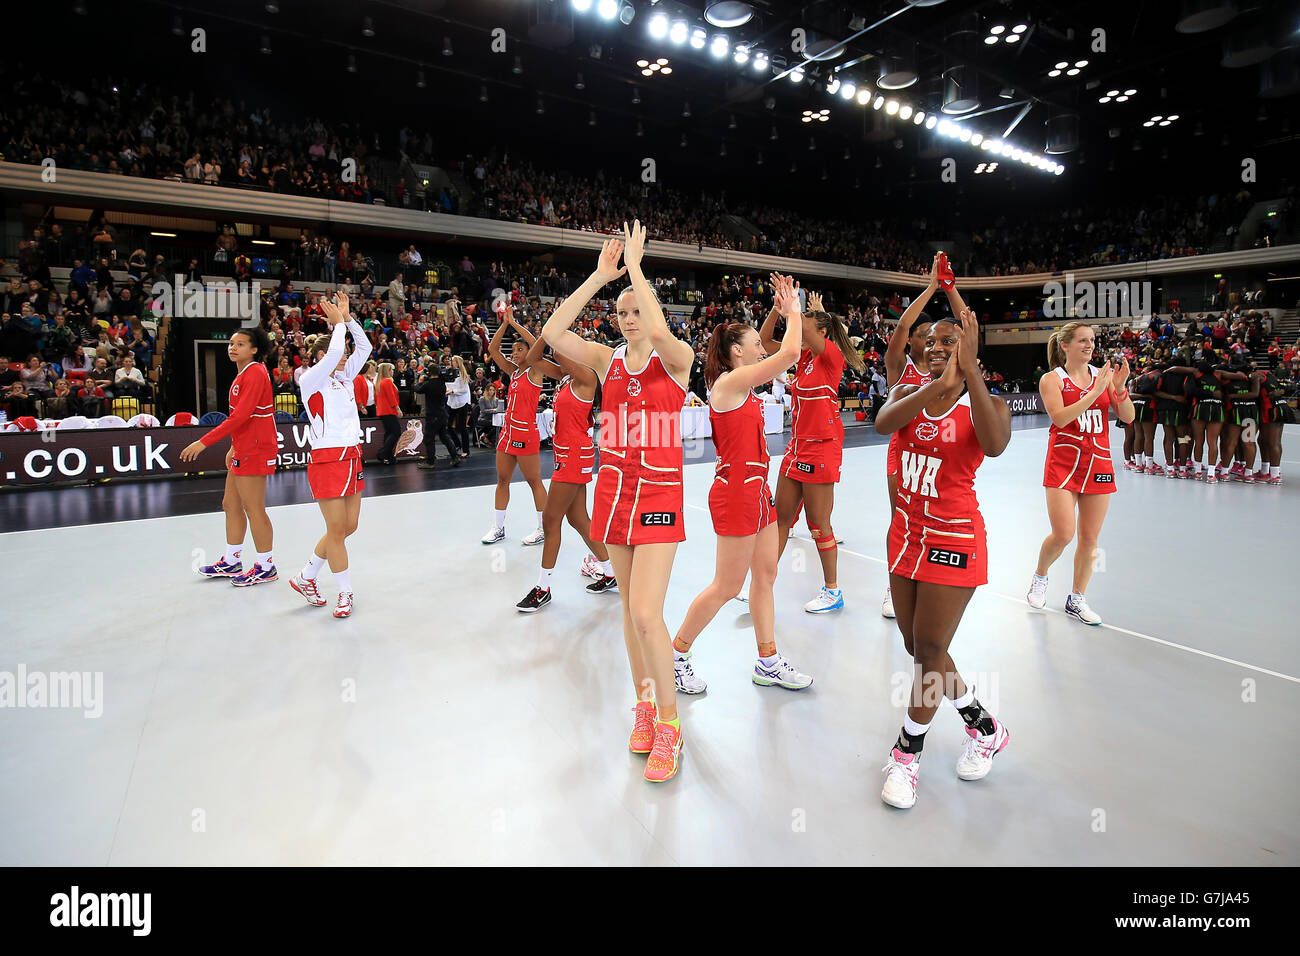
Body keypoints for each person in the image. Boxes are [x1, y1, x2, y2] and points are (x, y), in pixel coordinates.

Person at [541, 224, 692, 783]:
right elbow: (553, 332)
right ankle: (646, 706)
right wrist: (601, 276)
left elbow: (656, 325)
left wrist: (634, 269)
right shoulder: (606, 362)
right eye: (622, 312)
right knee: (631, 614)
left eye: (636, 310)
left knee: (649, 614)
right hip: (613, 497)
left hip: (658, 496)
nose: (629, 318)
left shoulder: (676, 360)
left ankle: (672, 726)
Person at [874, 308, 1012, 810]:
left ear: (969, 346)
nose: (936, 346)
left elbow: (994, 446)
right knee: (918, 647)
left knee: (930, 648)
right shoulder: (906, 395)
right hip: (905, 537)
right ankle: (985, 727)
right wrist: (940, 382)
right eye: (929, 340)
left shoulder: (990, 402)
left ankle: (907, 753)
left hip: (953, 539)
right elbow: (883, 422)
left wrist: (968, 372)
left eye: (948, 340)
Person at [670, 274, 813, 695]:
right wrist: (794, 310)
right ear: (738, 352)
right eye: (753, 346)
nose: (759, 349)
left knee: (765, 576)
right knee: (727, 585)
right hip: (735, 490)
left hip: (758, 488)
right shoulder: (728, 385)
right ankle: (676, 654)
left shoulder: (744, 384)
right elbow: (787, 352)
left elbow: (770, 345)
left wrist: (776, 309)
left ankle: (768, 660)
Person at [758, 283, 865, 613]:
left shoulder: (830, 356)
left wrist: (795, 305)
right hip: (797, 447)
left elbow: (802, 325)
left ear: (821, 332)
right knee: (780, 520)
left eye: (807, 329)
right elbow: (764, 341)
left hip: (823, 448)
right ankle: (764, 584)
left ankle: (832, 590)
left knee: (818, 525)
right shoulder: (802, 357)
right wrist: (779, 309)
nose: (800, 333)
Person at [1027, 323, 1134, 625]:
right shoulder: (1052, 379)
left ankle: (1077, 598)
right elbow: (1060, 418)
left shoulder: (1105, 376)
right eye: (1083, 340)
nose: (1089, 345)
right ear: (1065, 345)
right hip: (1063, 463)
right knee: (1063, 534)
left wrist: (1120, 387)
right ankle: (1040, 576)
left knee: (1090, 538)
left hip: (1097, 464)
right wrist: (1097, 392)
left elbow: (1128, 416)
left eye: (1092, 340)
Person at [513, 331, 619, 611]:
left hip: (573, 456)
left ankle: (543, 588)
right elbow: (533, 357)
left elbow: (558, 351)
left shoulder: (587, 377)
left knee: (550, 521)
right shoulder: (565, 377)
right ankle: (611, 572)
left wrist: (554, 331)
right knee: (579, 519)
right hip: (568, 454)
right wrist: (544, 334)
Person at [289, 293, 372, 618]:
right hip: (326, 460)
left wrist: (348, 320)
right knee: (337, 530)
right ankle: (345, 592)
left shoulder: (344, 377)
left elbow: (363, 348)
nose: (344, 356)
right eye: (337, 353)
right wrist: (337, 326)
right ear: (321, 356)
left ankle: (306, 575)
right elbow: (338, 349)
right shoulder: (310, 380)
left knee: (348, 527)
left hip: (352, 457)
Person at [180, 326, 278, 586]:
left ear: (255, 349)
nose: (233, 348)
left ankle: (266, 566)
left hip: (256, 448)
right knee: (230, 504)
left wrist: (204, 442)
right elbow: (244, 419)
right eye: (231, 343)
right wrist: (234, 445)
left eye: (241, 344)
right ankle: (232, 561)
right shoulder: (243, 374)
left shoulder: (255, 371)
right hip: (245, 447)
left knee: (254, 508)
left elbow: (242, 416)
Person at [879, 253, 945, 618]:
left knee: (934, 520)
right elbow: (902, 329)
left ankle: (929, 577)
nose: (931, 341)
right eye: (925, 336)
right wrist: (931, 288)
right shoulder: (899, 367)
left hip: (940, 457)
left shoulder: (946, 372)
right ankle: (894, 586)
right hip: (903, 456)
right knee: (899, 520)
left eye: (937, 337)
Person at [483, 306, 548, 545]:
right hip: (508, 433)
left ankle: (543, 529)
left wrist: (515, 323)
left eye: (520, 349)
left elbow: (536, 342)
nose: (515, 352)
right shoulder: (513, 372)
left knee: (534, 481)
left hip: (526, 433)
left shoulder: (535, 370)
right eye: (514, 349)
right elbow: (492, 349)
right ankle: (498, 527)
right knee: (502, 480)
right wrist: (503, 324)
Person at [415, 359, 462, 469]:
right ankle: (455, 457)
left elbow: (417, 389)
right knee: (444, 436)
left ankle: (430, 462)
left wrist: (420, 381)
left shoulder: (428, 384)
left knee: (429, 438)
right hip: (442, 414)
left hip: (433, 415)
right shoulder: (442, 383)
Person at [374, 362, 402, 464]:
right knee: (396, 432)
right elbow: (391, 397)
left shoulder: (379, 382)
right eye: (392, 370)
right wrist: (397, 408)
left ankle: (389, 456)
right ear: (388, 371)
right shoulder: (387, 382)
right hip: (389, 410)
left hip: (382, 411)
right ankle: (383, 453)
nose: (393, 371)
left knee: (389, 433)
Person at [446, 356, 473, 456]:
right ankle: (457, 444)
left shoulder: (463, 374)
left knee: (462, 427)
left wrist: (453, 391)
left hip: (462, 402)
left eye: (454, 361)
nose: (452, 362)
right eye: (452, 361)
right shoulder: (449, 372)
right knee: (448, 426)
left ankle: (466, 450)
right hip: (452, 402)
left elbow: (464, 390)